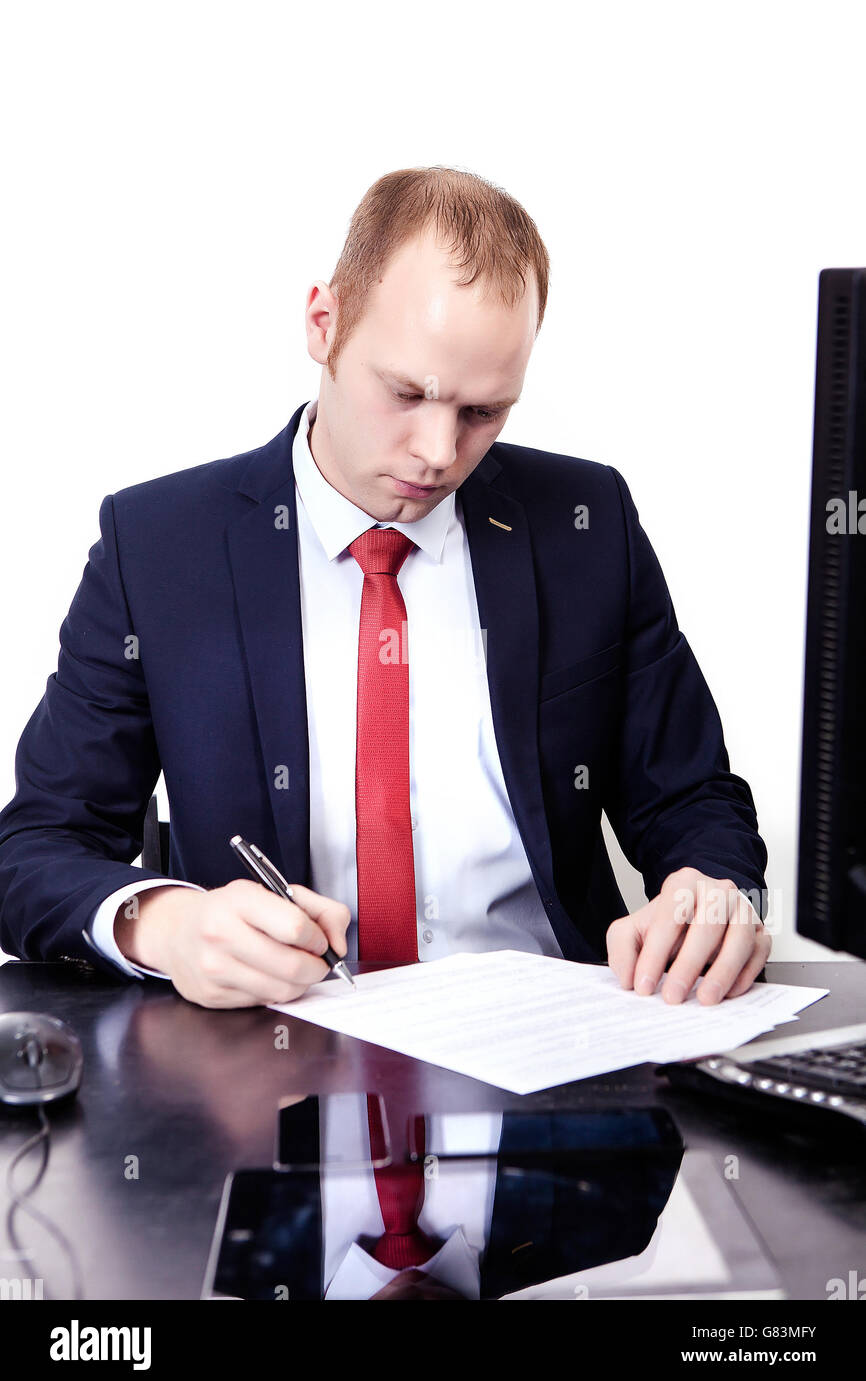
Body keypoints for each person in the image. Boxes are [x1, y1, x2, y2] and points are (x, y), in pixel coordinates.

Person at [0, 165, 770, 1011]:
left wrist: (710, 895)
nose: (439, 453)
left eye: (484, 412)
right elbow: (37, 846)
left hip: (558, 1061)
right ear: (323, 325)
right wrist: (167, 925)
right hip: (270, 1064)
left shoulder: (589, 524)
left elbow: (691, 796)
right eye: (408, 393)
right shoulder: (159, 546)